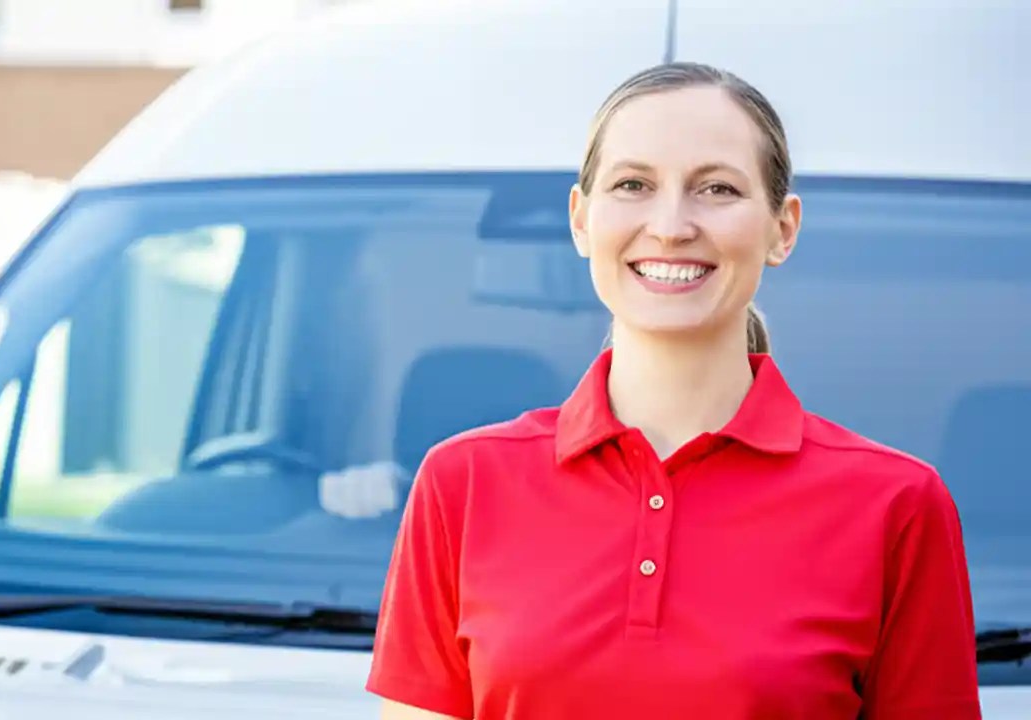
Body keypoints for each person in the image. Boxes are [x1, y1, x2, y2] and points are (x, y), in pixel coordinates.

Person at [365, 62, 981, 719]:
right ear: (580, 219)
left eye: (716, 188)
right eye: (633, 184)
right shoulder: (462, 484)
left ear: (783, 228)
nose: (670, 225)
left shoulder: (898, 505)